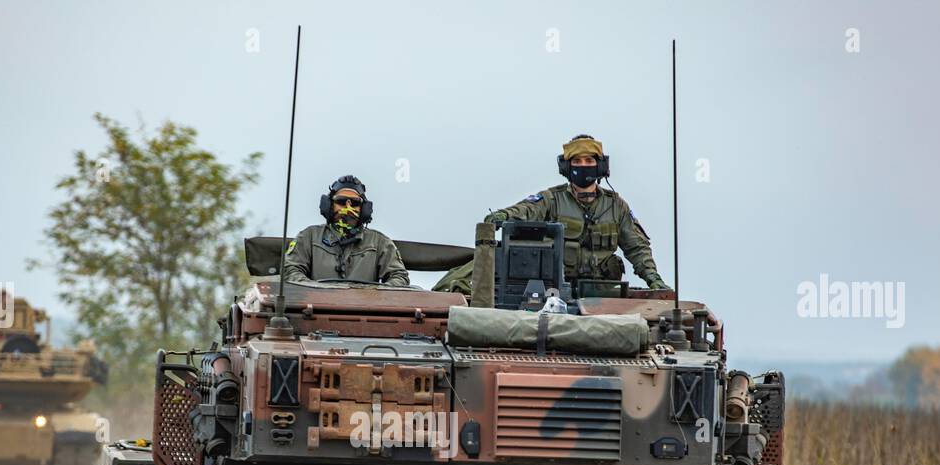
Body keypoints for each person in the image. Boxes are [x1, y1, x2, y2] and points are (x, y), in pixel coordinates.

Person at [435, 134, 668, 294]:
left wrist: (654, 281)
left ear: (600, 166)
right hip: (555, 292)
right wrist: (501, 217)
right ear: (567, 167)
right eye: (577, 161)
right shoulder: (552, 200)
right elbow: (525, 211)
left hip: (601, 295)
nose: (583, 165)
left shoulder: (616, 206)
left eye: (589, 160)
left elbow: (637, 249)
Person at [282, 175, 410, 287]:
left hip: (366, 310)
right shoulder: (309, 237)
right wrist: (316, 290)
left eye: (354, 203)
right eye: (341, 202)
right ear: (329, 206)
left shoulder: (379, 242)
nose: (348, 209)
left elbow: (399, 277)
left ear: (364, 209)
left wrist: (375, 294)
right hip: (316, 309)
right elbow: (291, 270)